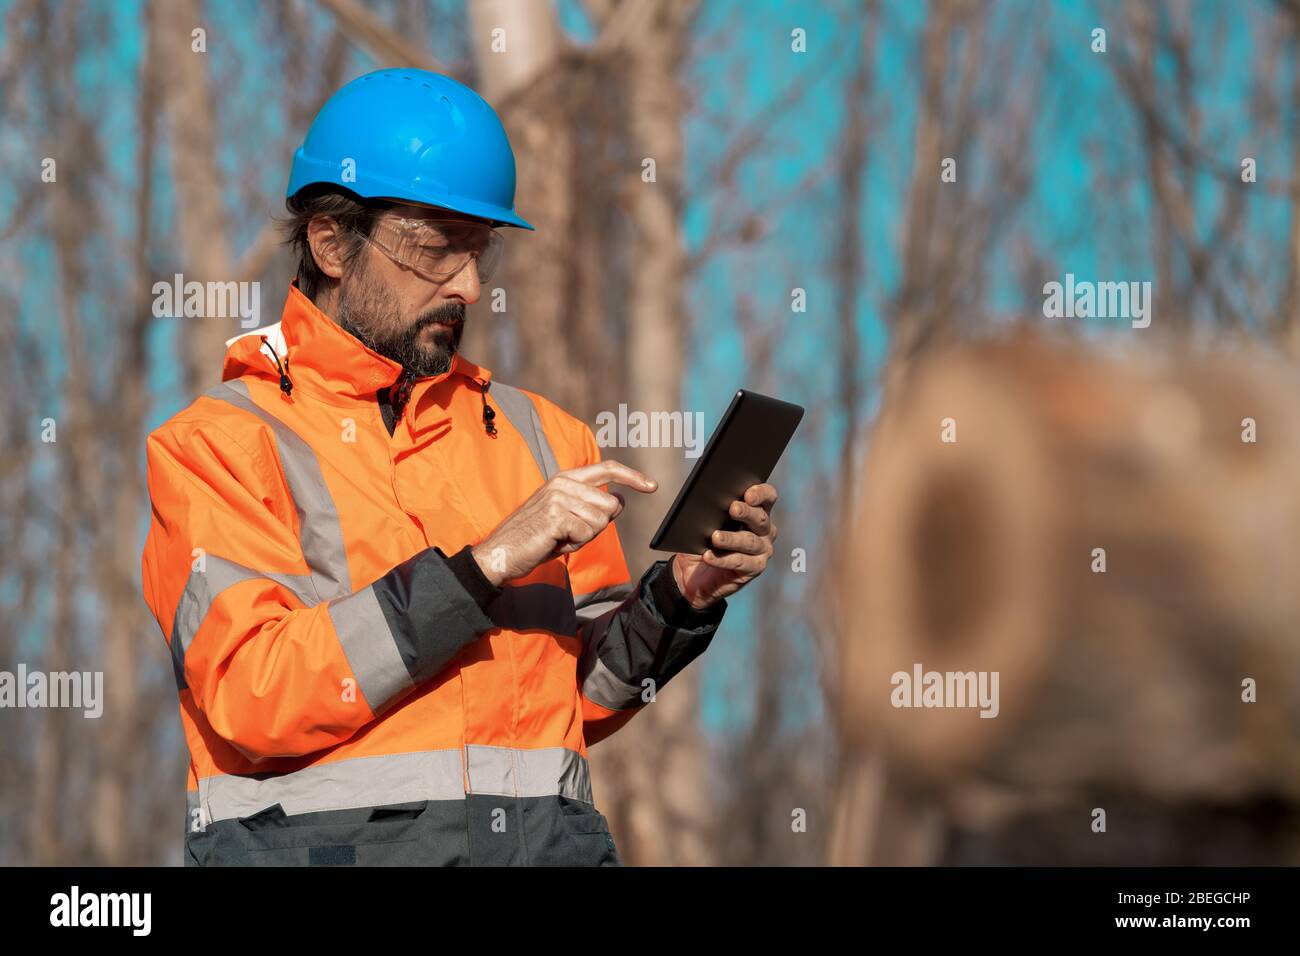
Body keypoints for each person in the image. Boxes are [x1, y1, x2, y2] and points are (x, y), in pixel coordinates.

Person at [140, 68, 779, 866]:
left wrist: (682, 596)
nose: (469, 287)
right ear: (331, 243)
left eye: (479, 253)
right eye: (438, 250)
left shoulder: (545, 437)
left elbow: (579, 699)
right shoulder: (217, 446)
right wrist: (482, 566)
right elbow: (252, 694)